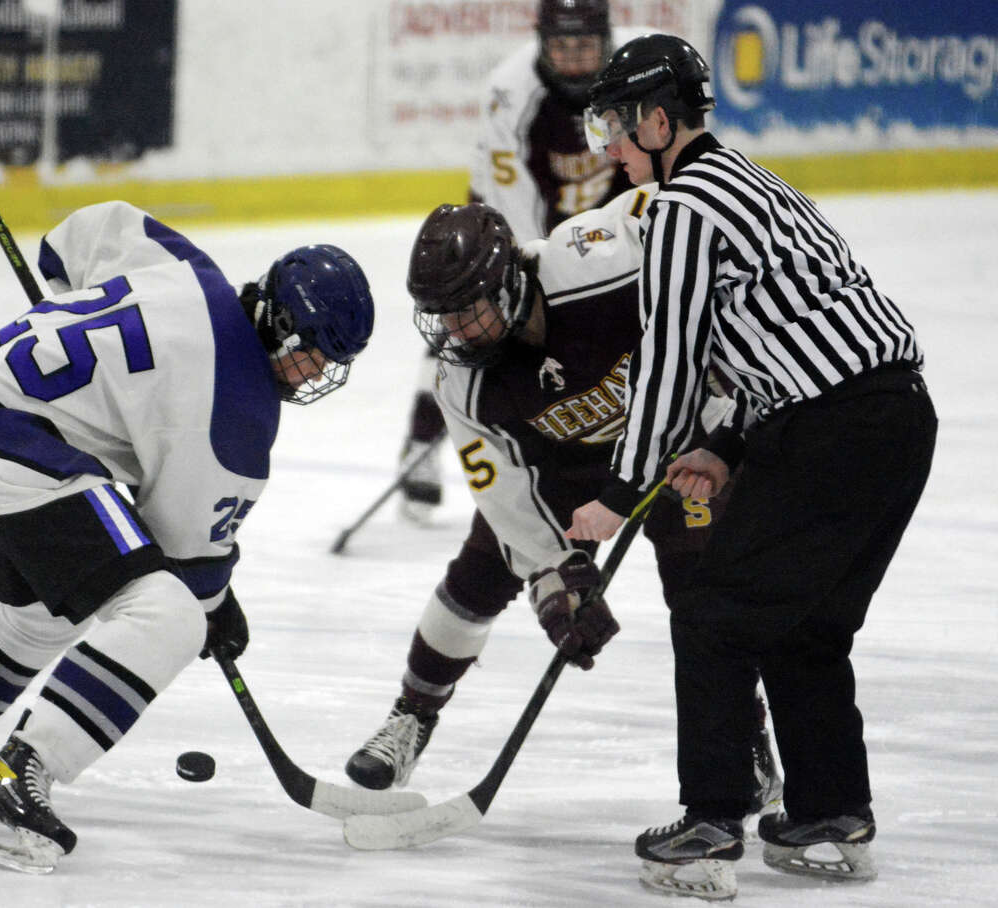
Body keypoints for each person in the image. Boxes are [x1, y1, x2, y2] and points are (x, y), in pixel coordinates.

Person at [0, 200, 375, 874]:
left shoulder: (185, 266)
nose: (311, 374)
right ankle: (16, 781)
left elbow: (78, 235)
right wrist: (214, 608)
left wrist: (93, 358)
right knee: (167, 616)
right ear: (278, 321)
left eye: (329, 364)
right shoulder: (239, 406)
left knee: (36, 614)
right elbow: (187, 564)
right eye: (308, 354)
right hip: (20, 455)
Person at [573, 34, 937, 900]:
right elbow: (789, 333)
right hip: (897, 424)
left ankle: (709, 823)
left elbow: (670, 361)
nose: (611, 150)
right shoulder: (751, 180)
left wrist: (619, 495)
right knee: (804, 625)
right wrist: (728, 446)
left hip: (831, 435)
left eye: (619, 129)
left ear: (661, 121)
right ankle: (829, 813)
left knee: (714, 612)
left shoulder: (683, 209)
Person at [344, 190, 781, 821]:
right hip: (562, 468)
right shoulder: (459, 378)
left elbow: (681, 217)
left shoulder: (598, 261)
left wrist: (726, 396)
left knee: (705, 601)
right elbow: (502, 491)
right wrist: (557, 574)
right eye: (441, 316)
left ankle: (746, 740)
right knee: (478, 576)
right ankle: (410, 718)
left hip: (675, 442)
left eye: (467, 310)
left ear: (509, 286)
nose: (455, 332)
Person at [395, 0, 634, 522]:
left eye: (585, 47)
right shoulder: (512, 91)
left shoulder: (637, 77)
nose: (573, 61)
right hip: (510, 217)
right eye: (561, 47)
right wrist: (540, 279)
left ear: (607, 41)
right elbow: (517, 210)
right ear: (541, 43)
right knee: (468, 313)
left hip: (602, 216)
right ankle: (420, 445)